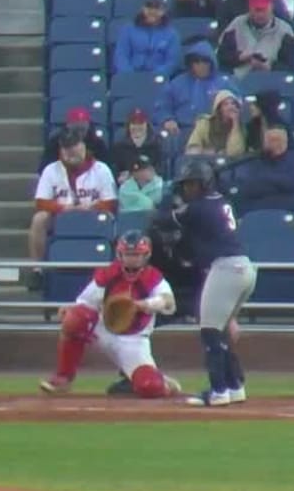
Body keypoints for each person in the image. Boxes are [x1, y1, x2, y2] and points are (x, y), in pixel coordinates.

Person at [39, 230, 183, 398]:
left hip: (133, 340)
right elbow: (86, 303)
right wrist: (70, 310)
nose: (132, 259)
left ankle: (152, 380)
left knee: (150, 388)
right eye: (128, 254)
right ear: (120, 254)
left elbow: (168, 302)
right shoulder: (109, 273)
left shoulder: (153, 277)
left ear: (146, 255)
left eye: (136, 255)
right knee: (75, 318)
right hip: (105, 328)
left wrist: (143, 305)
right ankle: (63, 378)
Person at [167, 160, 256, 407]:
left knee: (209, 331)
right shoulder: (222, 201)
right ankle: (234, 386)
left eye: (191, 184)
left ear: (203, 183)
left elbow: (167, 218)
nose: (187, 189)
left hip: (226, 267)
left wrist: (168, 200)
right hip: (245, 268)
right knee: (221, 331)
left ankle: (218, 390)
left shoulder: (199, 208)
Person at [27, 132, 118, 287]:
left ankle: (113, 272)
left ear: (83, 146)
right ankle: (37, 270)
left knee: (110, 218)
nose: (71, 151)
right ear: (61, 150)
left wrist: (92, 208)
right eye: (67, 148)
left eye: (75, 146)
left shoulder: (101, 169)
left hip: (93, 217)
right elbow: (41, 202)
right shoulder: (51, 170)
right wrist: (63, 208)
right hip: (61, 218)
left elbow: (111, 203)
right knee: (39, 219)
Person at [155, 42, 236, 136]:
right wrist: (167, 120)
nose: (201, 65)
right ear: (191, 63)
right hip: (182, 131)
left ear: (211, 62)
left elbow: (237, 105)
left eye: (205, 61)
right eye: (196, 61)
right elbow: (162, 105)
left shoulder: (223, 83)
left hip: (215, 132)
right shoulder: (177, 83)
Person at [216, 0, 294, 78]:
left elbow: (289, 64)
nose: (260, 14)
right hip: (239, 81)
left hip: (272, 81)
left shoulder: (285, 30)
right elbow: (221, 55)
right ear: (249, 8)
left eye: (264, 10)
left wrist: (269, 66)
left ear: (271, 7)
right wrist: (240, 57)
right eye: (256, 10)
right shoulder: (237, 24)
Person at [113, 0, 182, 78]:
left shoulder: (172, 34)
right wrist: (129, 76)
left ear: (164, 11)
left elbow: (172, 61)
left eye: (157, 8)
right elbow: (121, 56)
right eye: (149, 7)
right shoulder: (128, 29)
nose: (152, 11)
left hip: (158, 78)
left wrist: (154, 76)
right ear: (143, 8)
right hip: (131, 76)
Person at [185, 90, 249, 158]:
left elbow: (235, 152)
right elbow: (191, 150)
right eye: (225, 104)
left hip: (231, 164)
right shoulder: (205, 124)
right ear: (219, 109)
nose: (230, 107)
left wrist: (235, 123)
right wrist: (215, 152)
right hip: (206, 162)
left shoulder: (240, 127)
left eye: (233, 104)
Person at [108, 109, 165, 181]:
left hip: (151, 184)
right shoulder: (119, 146)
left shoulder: (157, 145)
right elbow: (116, 171)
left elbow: (160, 170)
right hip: (126, 186)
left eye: (140, 123)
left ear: (147, 125)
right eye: (134, 124)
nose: (137, 127)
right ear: (129, 126)